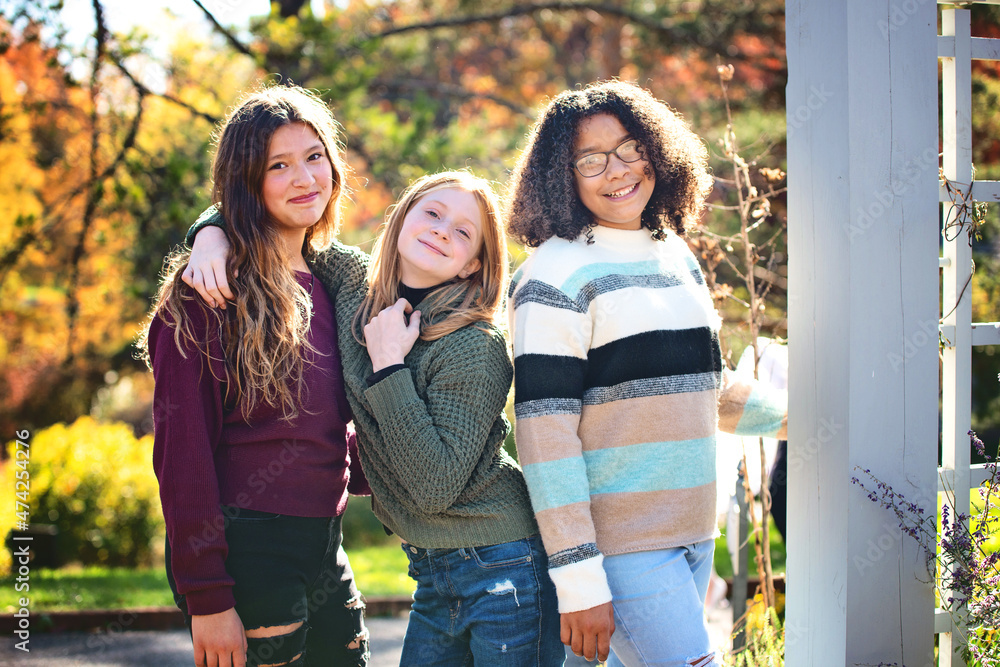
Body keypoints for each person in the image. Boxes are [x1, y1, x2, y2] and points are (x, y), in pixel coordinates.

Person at [186, 170, 564, 665]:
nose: (442, 230)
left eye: (463, 231)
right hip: (432, 569)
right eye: (432, 212)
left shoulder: (477, 346)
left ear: (473, 264)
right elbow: (281, 220)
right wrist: (209, 234)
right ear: (402, 217)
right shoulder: (352, 286)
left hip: (504, 564)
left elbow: (434, 485)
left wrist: (390, 366)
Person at [505, 80, 788, 666]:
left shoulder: (673, 253)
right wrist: (579, 580)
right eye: (591, 159)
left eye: (631, 147)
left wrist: (801, 420)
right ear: (561, 175)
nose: (619, 169)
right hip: (621, 543)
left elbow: (704, 389)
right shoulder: (553, 276)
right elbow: (543, 437)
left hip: (695, 528)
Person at [138, 86, 370, 667]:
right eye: (278, 165)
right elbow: (181, 453)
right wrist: (208, 598)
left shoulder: (334, 283)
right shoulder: (206, 295)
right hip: (249, 550)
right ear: (246, 180)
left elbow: (329, 419)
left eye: (314, 156)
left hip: (325, 548)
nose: (303, 178)